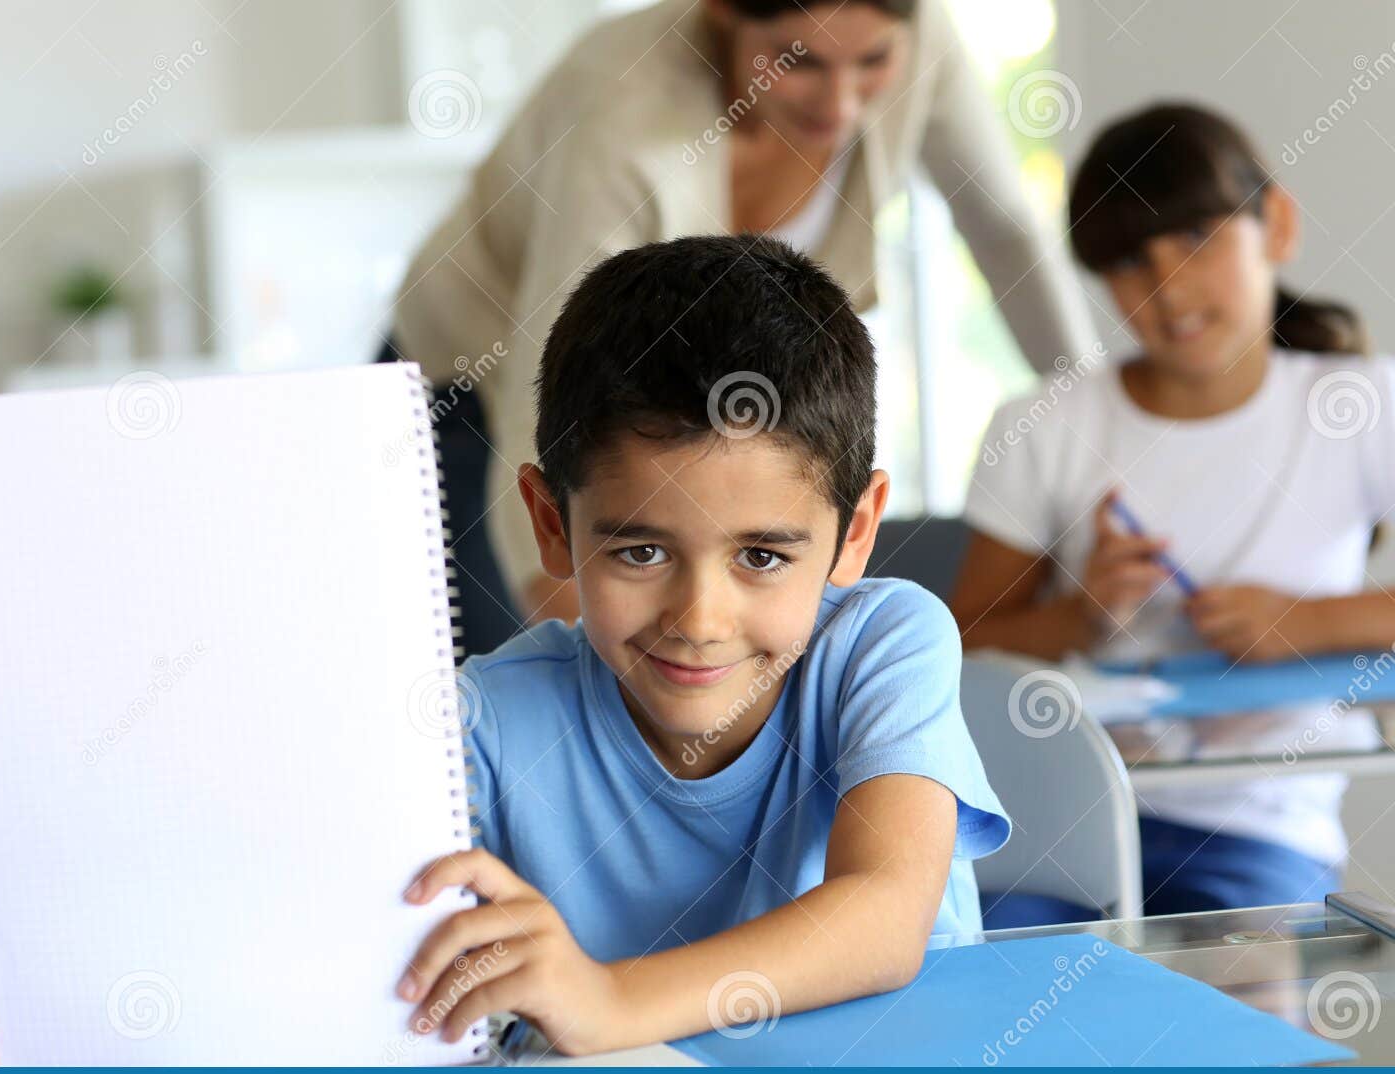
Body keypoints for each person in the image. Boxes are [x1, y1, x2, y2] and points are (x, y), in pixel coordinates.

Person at [0, 234, 1008, 1062]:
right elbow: (317, 946)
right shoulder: (476, 722)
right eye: (637, 550)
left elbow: (882, 916)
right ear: (548, 521)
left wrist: (608, 999)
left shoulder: (887, 639)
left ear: (856, 530)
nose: (700, 616)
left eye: (765, 556)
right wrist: (63, 997)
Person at [391, 0, 1097, 641]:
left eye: (872, 62)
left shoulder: (919, 37)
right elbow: (545, 381)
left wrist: (1100, 424)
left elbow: (1006, 237)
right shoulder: (621, 112)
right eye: (800, 62)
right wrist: (583, 645)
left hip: (698, 388)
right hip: (468, 385)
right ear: (723, 12)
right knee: (496, 669)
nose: (842, 104)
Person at [951, 102, 1394, 921]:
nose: (1167, 289)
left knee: (1240, 1010)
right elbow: (960, 644)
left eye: (1198, 239)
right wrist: (1081, 618)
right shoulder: (1042, 422)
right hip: (1063, 816)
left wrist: (1301, 621)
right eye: (1129, 262)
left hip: (1261, 830)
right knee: (998, 980)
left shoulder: (1364, 405)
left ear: (1279, 225)